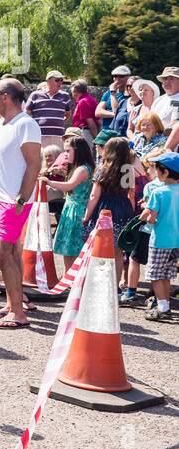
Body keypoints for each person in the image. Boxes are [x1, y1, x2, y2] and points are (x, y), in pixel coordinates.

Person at [0, 78, 44, 329]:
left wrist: (21, 197)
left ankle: (19, 313)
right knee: (10, 251)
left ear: (6, 97)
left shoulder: (26, 124)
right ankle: (11, 305)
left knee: (2, 251)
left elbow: (34, 164)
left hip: (13, 200)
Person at [82, 136, 135, 278]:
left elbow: (94, 196)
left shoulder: (102, 169)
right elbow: (131, 194)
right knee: (118, 252)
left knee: (99, 248)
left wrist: (86, 216)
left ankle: (99, 283)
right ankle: (115, 288)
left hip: (104, 210)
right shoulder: (128, 170)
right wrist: (131, 215)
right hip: (123, 210)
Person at [43, 135, 94, 273]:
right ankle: (69, 277)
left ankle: (70, 279)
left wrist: (48, 182)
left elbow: (69, 185)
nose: (65, 154)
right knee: (69, 248)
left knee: (72, 248)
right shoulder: (82, 167)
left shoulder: (82, 169)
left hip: (77, 211)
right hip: (73, 208)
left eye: (68, 151)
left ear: (78, 151)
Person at [140, 152, 179, 321]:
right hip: (176, 241)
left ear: (166, 172)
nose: (155, 172)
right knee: (167, 274)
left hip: (160, 240)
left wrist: (146, 217)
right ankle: (165, 305)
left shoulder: (158, 192)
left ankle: (163, 308)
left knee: (156, 275)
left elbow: (151, 218)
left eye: (157, 169)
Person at [96, 65, 132, 136]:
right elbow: (98, 112)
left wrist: (113, 93)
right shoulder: (108, 93)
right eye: (115, 76)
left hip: (120, 132)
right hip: (106, 131)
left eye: (121, 76)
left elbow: (116, 110)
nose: (117, 79)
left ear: (128, 77)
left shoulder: (130, 94)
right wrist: (116, 115)